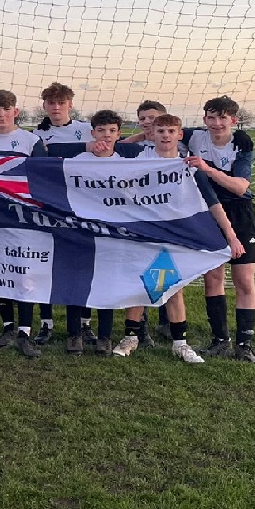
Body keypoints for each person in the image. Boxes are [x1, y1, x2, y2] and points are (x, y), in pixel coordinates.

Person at [110, 114, 245, 362]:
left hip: (177, 234)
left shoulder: (190, 166)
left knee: (171, 285)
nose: (166, 136)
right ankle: (131, 337)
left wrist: (232, 236)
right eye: (160, 131)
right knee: (140, 283)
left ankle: (180, 343)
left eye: (171, 131)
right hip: (145, 231)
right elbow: (112, 161)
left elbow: (213, 204)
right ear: (153, 134)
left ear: (179, 135)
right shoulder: (140, 161)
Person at [182, 96, 255, 362]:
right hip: (207, 212)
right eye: (211, 118)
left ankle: (244, 343)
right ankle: (220, 339)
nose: (216, 123)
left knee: (244, 280)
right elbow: (157, 130)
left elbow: (240, 187)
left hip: (239, 212)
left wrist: (207, 168)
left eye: (222, 118)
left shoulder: (241, 144)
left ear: (233, 120)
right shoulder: (194, 137)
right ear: (204, 119)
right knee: (213, 277)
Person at [0, 89, 46, 358]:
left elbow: (43, 177)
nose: (1, 114)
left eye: (6, 109)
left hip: (23, 216)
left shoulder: (30, 141)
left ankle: (25, 332)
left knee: (24, 270)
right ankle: (7, 326)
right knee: (0, 268)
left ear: (15, 111)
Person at [69, 110, 144, 356]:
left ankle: (104, 336)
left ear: (119, 135)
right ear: (92, 133)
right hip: (80, 231)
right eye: (101, 130)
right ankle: (74, 334)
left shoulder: (125, 165)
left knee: (106, 283)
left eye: (112, 131)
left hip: (110, 233)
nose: (106, 135)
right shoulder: (78, 160)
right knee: (77, 281)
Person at [32, 82, 95, 347]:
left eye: (61, 103)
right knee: (46, 263)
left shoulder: (84, 130)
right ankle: (46, 324)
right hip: (51, 204)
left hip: (83, 204)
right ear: (45, 106)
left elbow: (106, 149)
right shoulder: (37, 133)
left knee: (82, 265)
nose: (56, 108)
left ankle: (84, 324)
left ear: (70, 104)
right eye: (51, 103)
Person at [136, 100, 171, 343]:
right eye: (143, 119)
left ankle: (168, 323)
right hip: (144, 219)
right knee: (144, 271)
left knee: (169, 271)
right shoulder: (134, 149)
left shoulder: (181, 145)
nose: (148, 122)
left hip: (171, 219)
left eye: (153, 118)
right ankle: (141, 328)